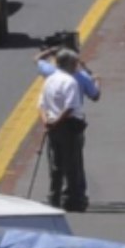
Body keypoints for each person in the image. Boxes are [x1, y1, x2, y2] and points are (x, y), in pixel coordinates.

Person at [36, 47, 96, 212]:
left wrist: (47, 122)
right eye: (75, 62)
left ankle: (54, 198)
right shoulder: (70, 82)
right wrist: (57, 123)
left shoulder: (49, 79)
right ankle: (73, 201)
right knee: (73, 165)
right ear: (70, 63)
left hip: (53, 126)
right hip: (68, 126)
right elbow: (70, 107)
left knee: (56, 164)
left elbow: (41, 104)